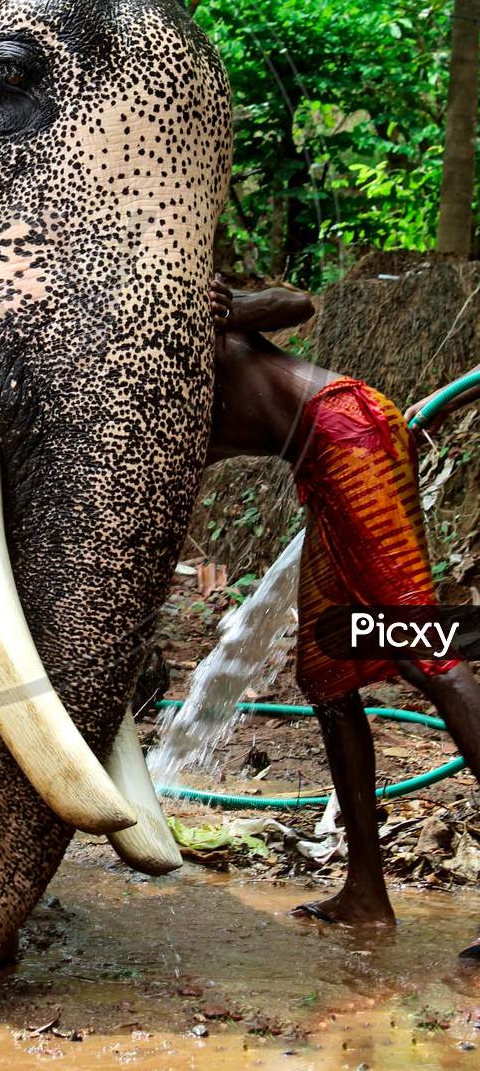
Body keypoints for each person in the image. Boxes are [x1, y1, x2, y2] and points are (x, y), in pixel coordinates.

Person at [207, 276, 480, 944]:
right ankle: (365, 891)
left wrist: (222, 308)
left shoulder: (186, 309)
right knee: (328, 677)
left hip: (347, 429)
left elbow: (295, 300)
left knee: (429, 654)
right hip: (324, 465)